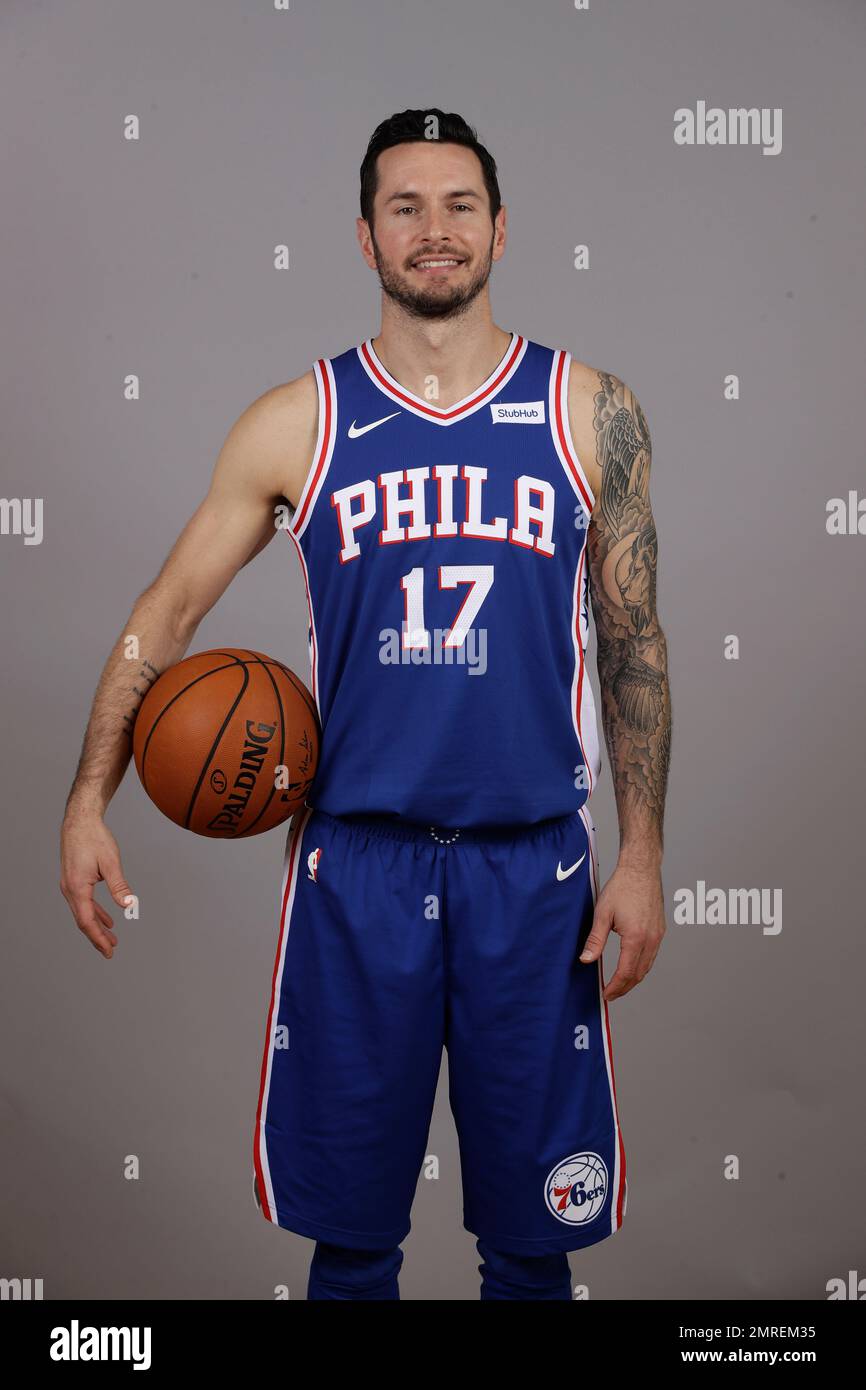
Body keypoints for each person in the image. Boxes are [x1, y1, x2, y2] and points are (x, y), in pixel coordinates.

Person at [60, 108, 671, 1301]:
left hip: (535, 870)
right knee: (349, 1244)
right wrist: (90, 795)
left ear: (500, 227)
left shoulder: (589, 412)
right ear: (363, 236)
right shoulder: (298, 420)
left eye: (455, 205)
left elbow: (633, 637)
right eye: (404, 206)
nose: (432, 229)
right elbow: (168, 607)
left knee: (533, 1247)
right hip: (357, 868)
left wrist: (642, 853)